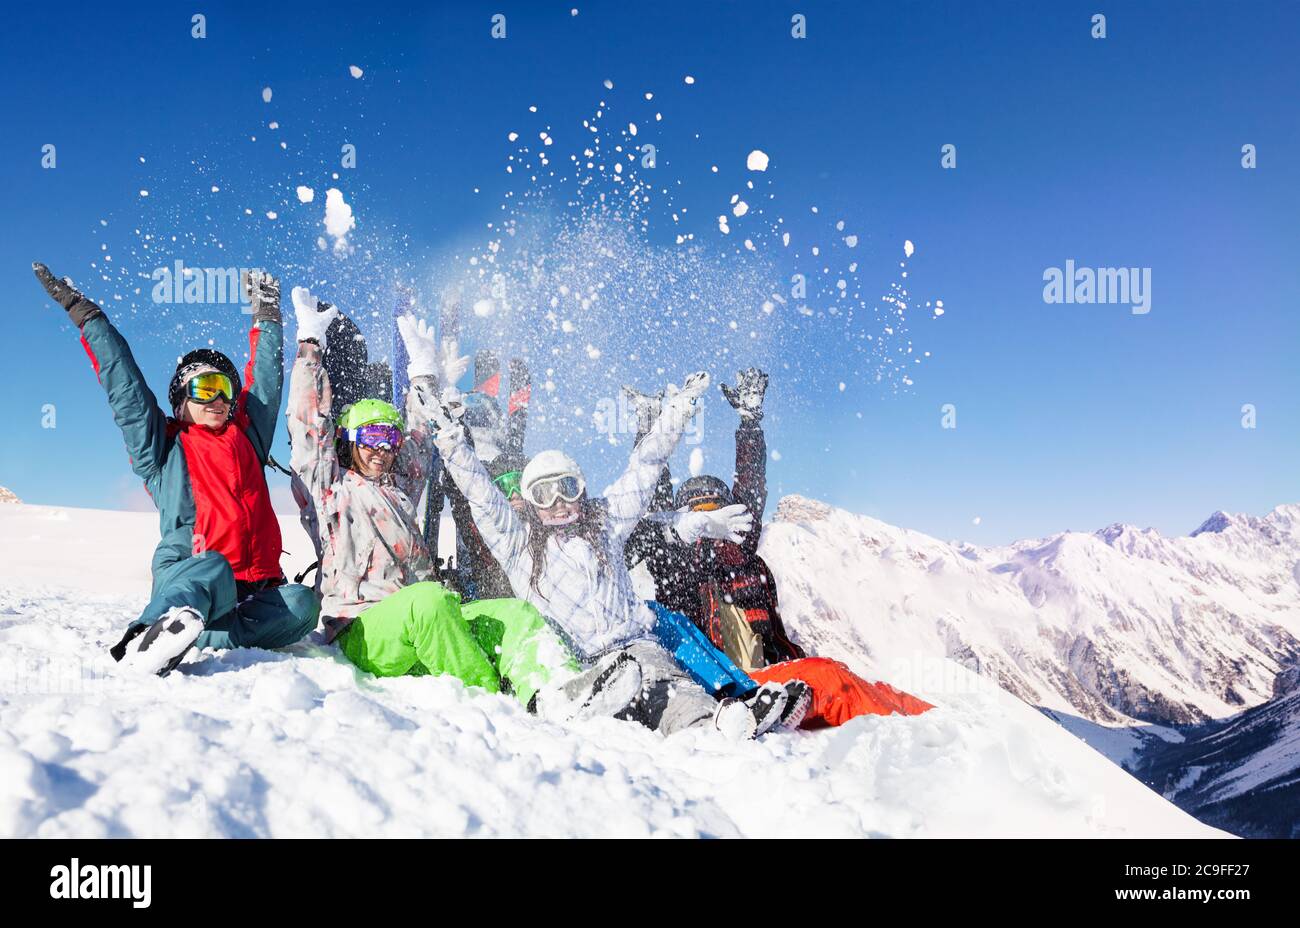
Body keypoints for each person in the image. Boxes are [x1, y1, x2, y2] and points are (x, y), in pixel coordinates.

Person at [431, 361, 804, 739]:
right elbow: (479, 493)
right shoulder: (518, 544)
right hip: (582, 664)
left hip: (635, 645)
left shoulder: (605, 524)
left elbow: (645, 467)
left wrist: (675, 414)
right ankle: (593, 706)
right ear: (530, 502)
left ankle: (715, 725)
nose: (559, 502)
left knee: (668, 685)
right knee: (624, 679)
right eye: (545, 493)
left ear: (582, 489)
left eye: (568, 488)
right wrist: (449, 439)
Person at [286, 289, 579, 711]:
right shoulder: (331, 486)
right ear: (348, 441)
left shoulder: (402, 484)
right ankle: (492, 700)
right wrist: (311, 348)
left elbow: (422, 432)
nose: (381, 449)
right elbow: (307, 422)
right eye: (369, 437)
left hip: (429, 620)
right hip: (363, 630)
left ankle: (557, 691)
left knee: (517, 614)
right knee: (430, 601)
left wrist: (424, 374)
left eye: (389, 438)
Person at [31, 263, 319, 676]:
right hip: (195, 571)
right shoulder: (162, 447)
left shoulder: (248, 439)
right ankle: (154, 635)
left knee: (303, 604)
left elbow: (268, 385)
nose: (218, 398)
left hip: (254, 594)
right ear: (182, 398)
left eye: (226, 390)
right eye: (205, 388)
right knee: (213, 564)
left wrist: (268, 318)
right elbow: (125, 386)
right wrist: (88, 317)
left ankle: (200, 634)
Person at [626, 368, 934, 727]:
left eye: (718, 510)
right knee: (833, 679)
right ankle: (921, 733)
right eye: (700, 513)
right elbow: (651, 505)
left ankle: (939, 719)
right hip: (727, 689)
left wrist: (750, 422)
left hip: (769, 676)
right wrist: (648, 429)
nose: (711, 521)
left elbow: (751, 488)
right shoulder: (677, 563)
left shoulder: (739, 553)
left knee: (867, 684)